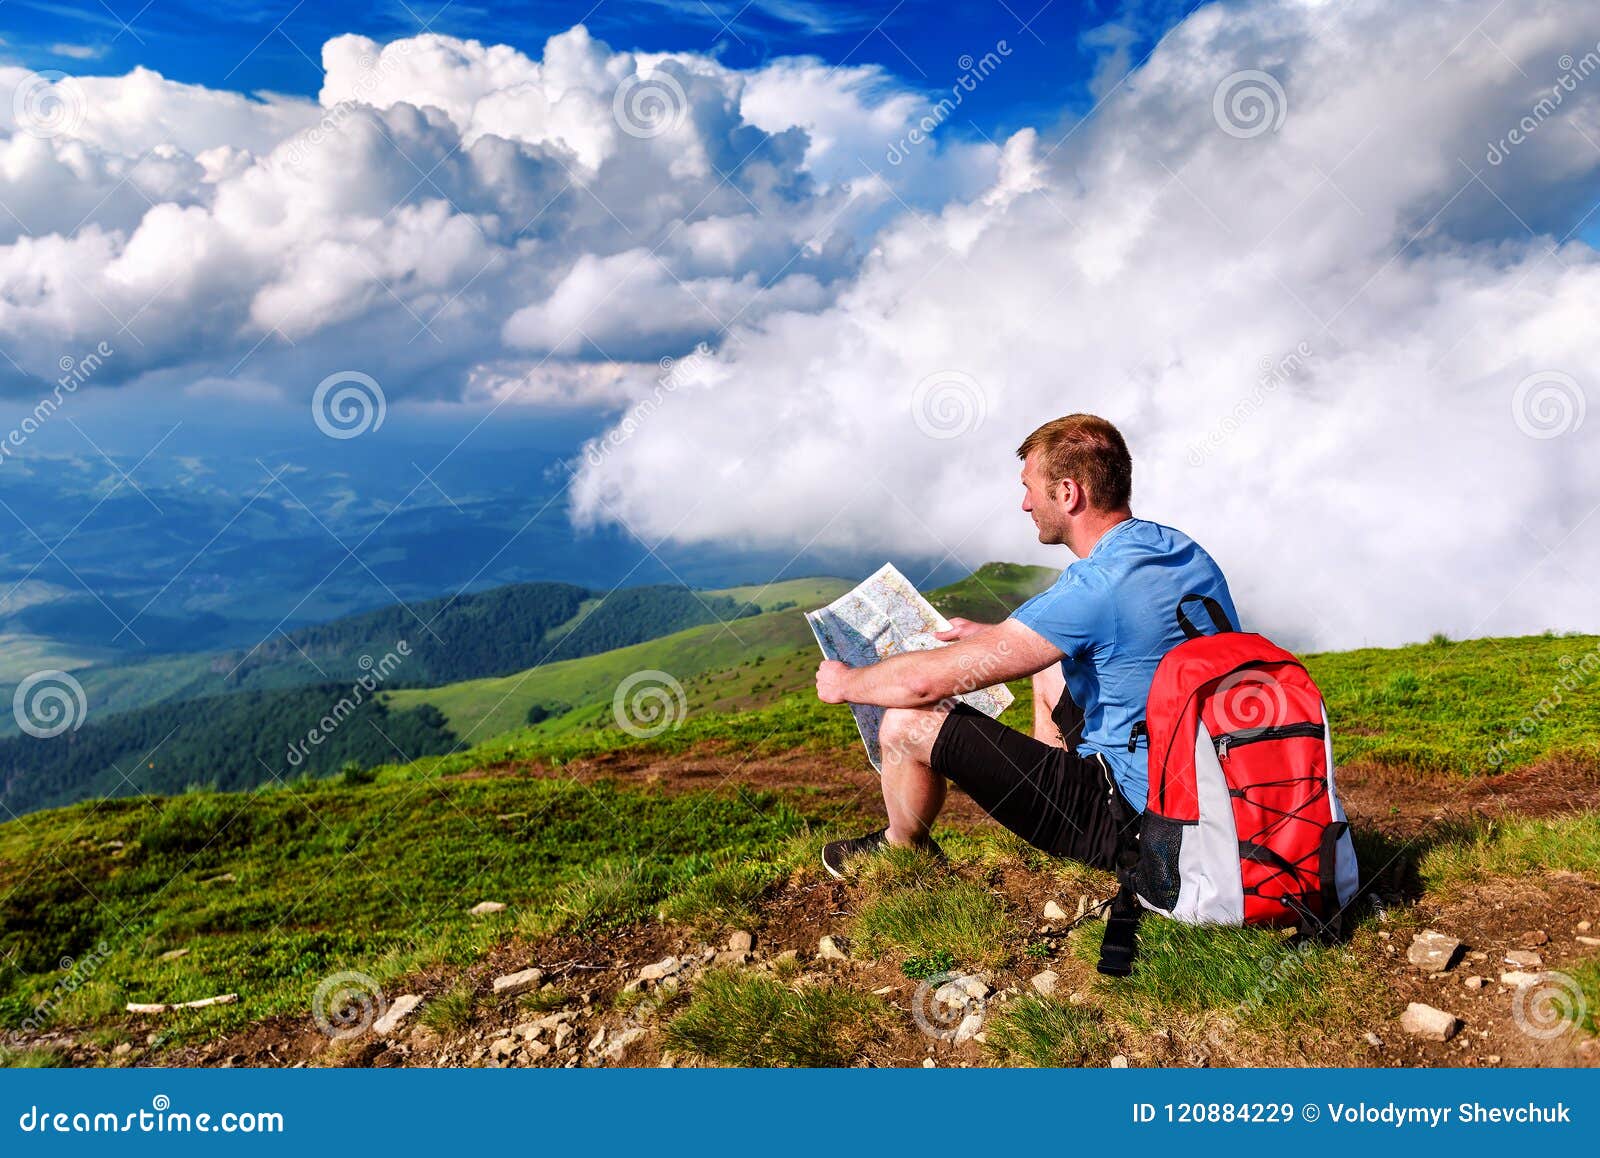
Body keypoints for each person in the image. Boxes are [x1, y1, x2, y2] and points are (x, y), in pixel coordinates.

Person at [814, 413, 1238, 878]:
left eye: (1029, 488)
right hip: (1211, 787)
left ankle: (902, 847)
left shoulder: (1096, 586)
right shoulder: (1179, 549)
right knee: (1051, 664)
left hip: (1140, 825)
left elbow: (920, 686)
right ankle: (1057, 797)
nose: (1024, 504)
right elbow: (1122, 630)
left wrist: (844, 682)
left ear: (1068, 493)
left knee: (906, 722)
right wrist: (997, 635)